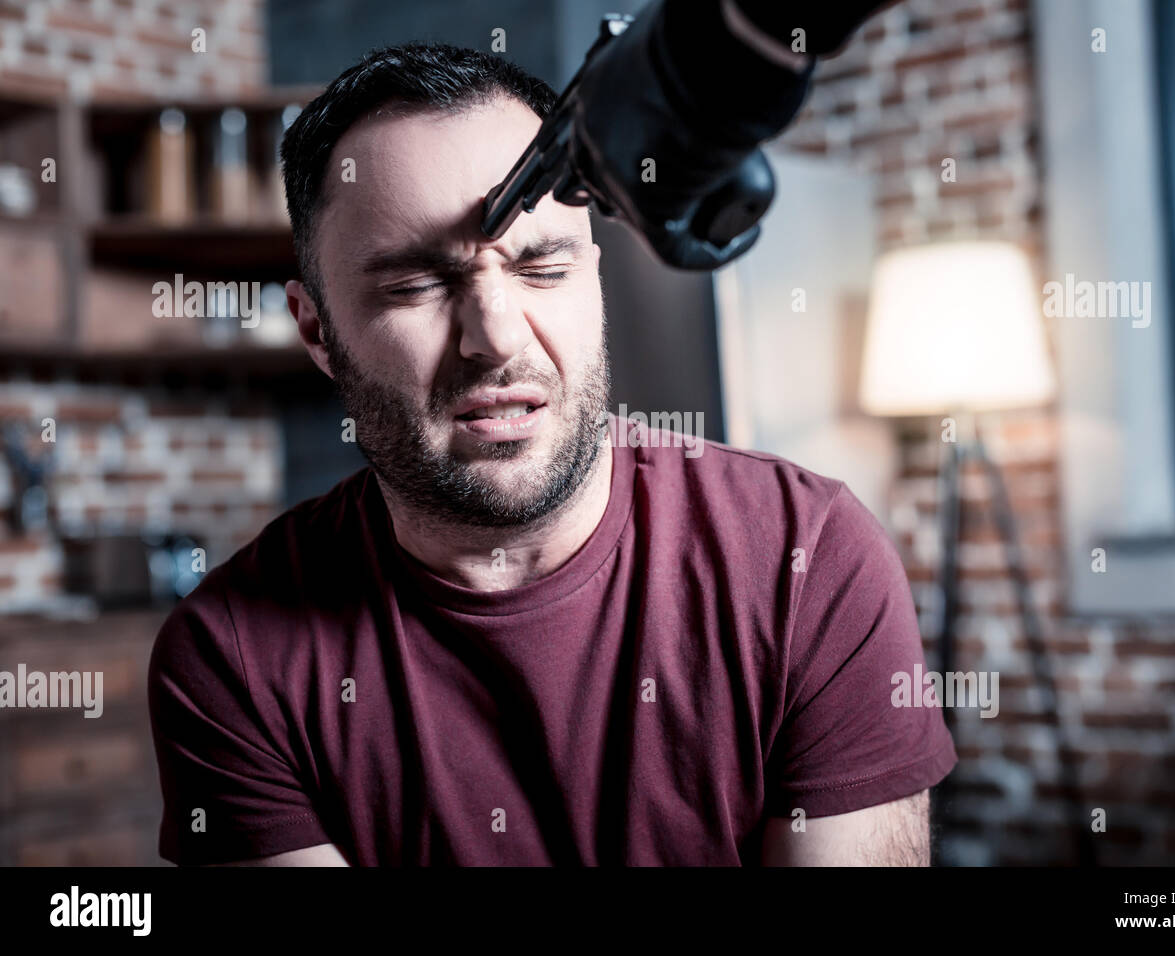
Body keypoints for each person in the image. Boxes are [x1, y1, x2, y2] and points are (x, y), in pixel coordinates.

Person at [148, 18, 953, 868]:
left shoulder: (808, 559)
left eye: (542, 270)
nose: (496, 337)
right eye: (418, 283)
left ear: (595, 275)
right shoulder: (229, 658)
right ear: (316, 331)